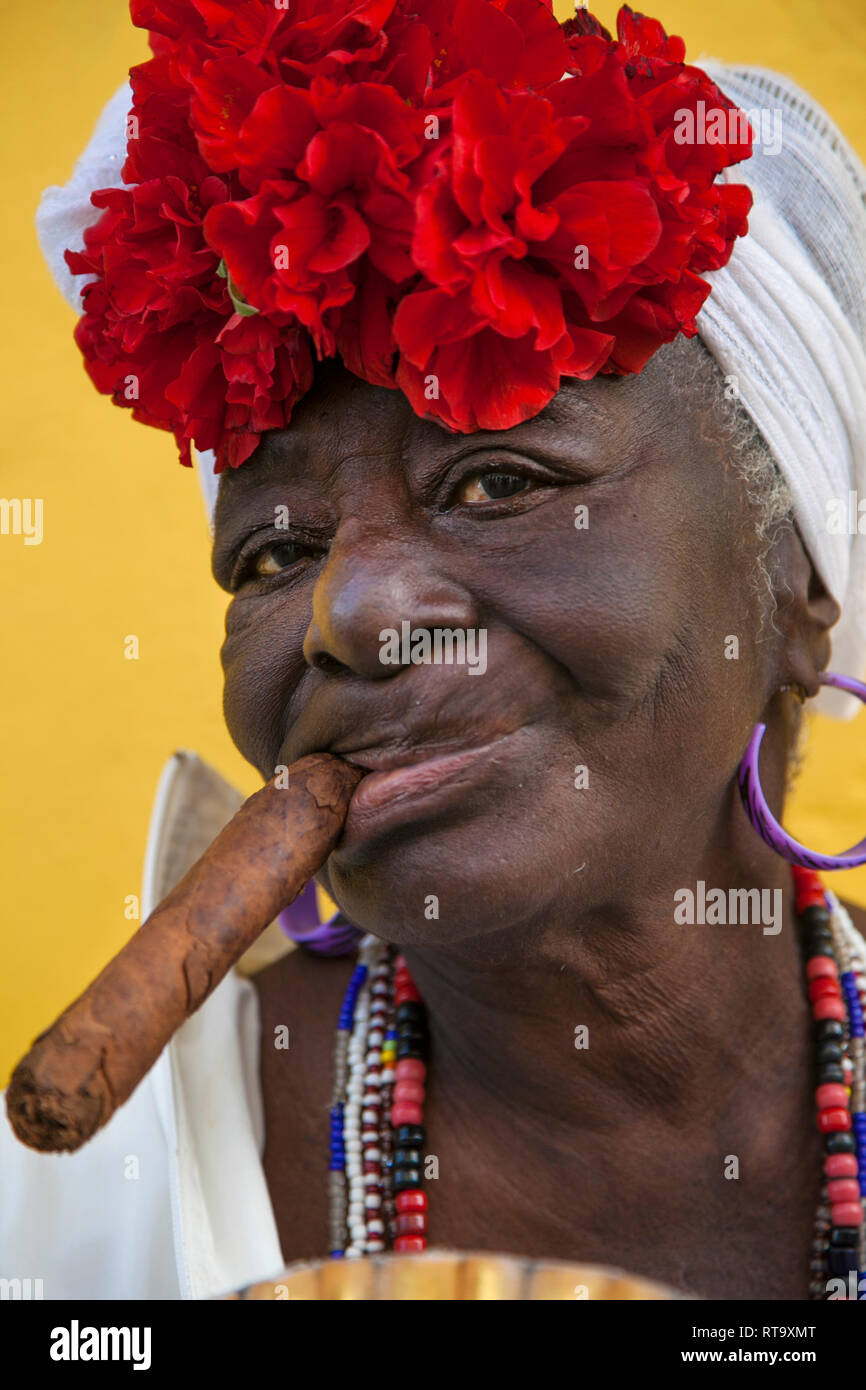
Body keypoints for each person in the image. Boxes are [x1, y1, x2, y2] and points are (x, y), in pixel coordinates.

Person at [2, 2, 864, 1301]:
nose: (345, 611)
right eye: (273, 555)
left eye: (495, 482)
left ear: (794, 577)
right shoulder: (64, 1222)